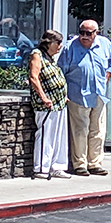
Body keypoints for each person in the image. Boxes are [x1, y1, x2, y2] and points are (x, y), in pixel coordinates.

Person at [58, 19, 111, 176]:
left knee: (98, 130)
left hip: (99, 94)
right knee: (80, 130)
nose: (84, 36)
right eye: (81, 32)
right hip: (77, 95)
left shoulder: (104, 44)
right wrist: (63, 93)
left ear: (96, 33)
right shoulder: (70, 47)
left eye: (88, 33)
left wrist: (108, 73)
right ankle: (80, 164)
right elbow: (61, 71)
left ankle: (95, 163)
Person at [28, 30, 71, 180]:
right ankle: (41, 167)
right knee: (46, 135)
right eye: (58, 42)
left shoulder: (50, 58)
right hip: (46, 105)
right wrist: (44, 97)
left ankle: (56, 166)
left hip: (59, 103)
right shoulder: (37, 55)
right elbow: (34, 77)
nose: (60, 46)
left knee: (59, 137)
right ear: (49, 43)